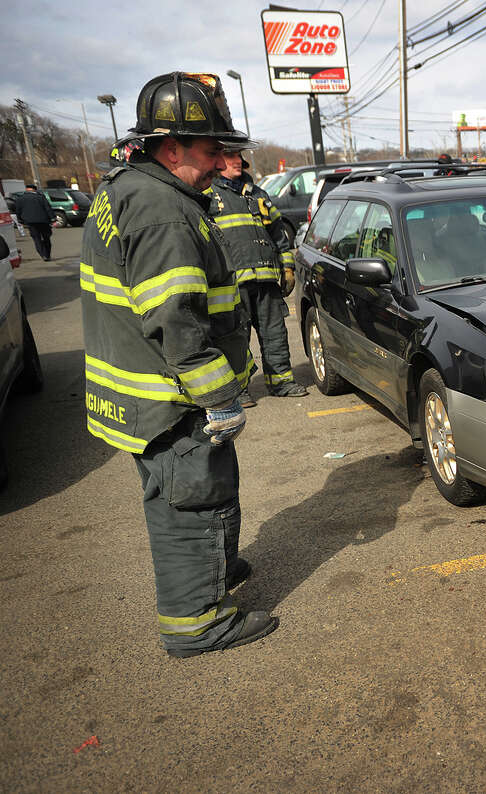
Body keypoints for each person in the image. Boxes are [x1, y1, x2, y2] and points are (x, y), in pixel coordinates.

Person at [79, 72, 277, 658]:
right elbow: (178, 321)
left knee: (185, 495)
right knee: (193, 500)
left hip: (141, 392)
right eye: (212, 149)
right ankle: (196, 621)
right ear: (172, 148)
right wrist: (218, 398)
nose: (222, 163)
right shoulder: (164, 212)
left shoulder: (128, 189)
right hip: (171, 399)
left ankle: (213, 569)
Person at [207, 153, 306, 406]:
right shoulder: (208, 196)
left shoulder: (258, 194)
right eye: (229, 157)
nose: (236, 161)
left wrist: (287, 268)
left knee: (275, 332)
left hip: (265, 278)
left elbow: (279, 236)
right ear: (217, 162)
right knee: (234, 337)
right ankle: (239, 390)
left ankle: (281, 382)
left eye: (238, 157)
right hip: (232, 283)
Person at [13, 184, 53, 260]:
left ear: (26, 190)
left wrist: (20, 220)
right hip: (43, 221)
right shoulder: (40, 197)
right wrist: (53, 218)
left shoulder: (20, 199)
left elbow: (18, 210)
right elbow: (48, 208)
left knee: (36, 239)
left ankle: (43, 255)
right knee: (46, 238)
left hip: (30, 222)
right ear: (34, 190)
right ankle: (47, 254)